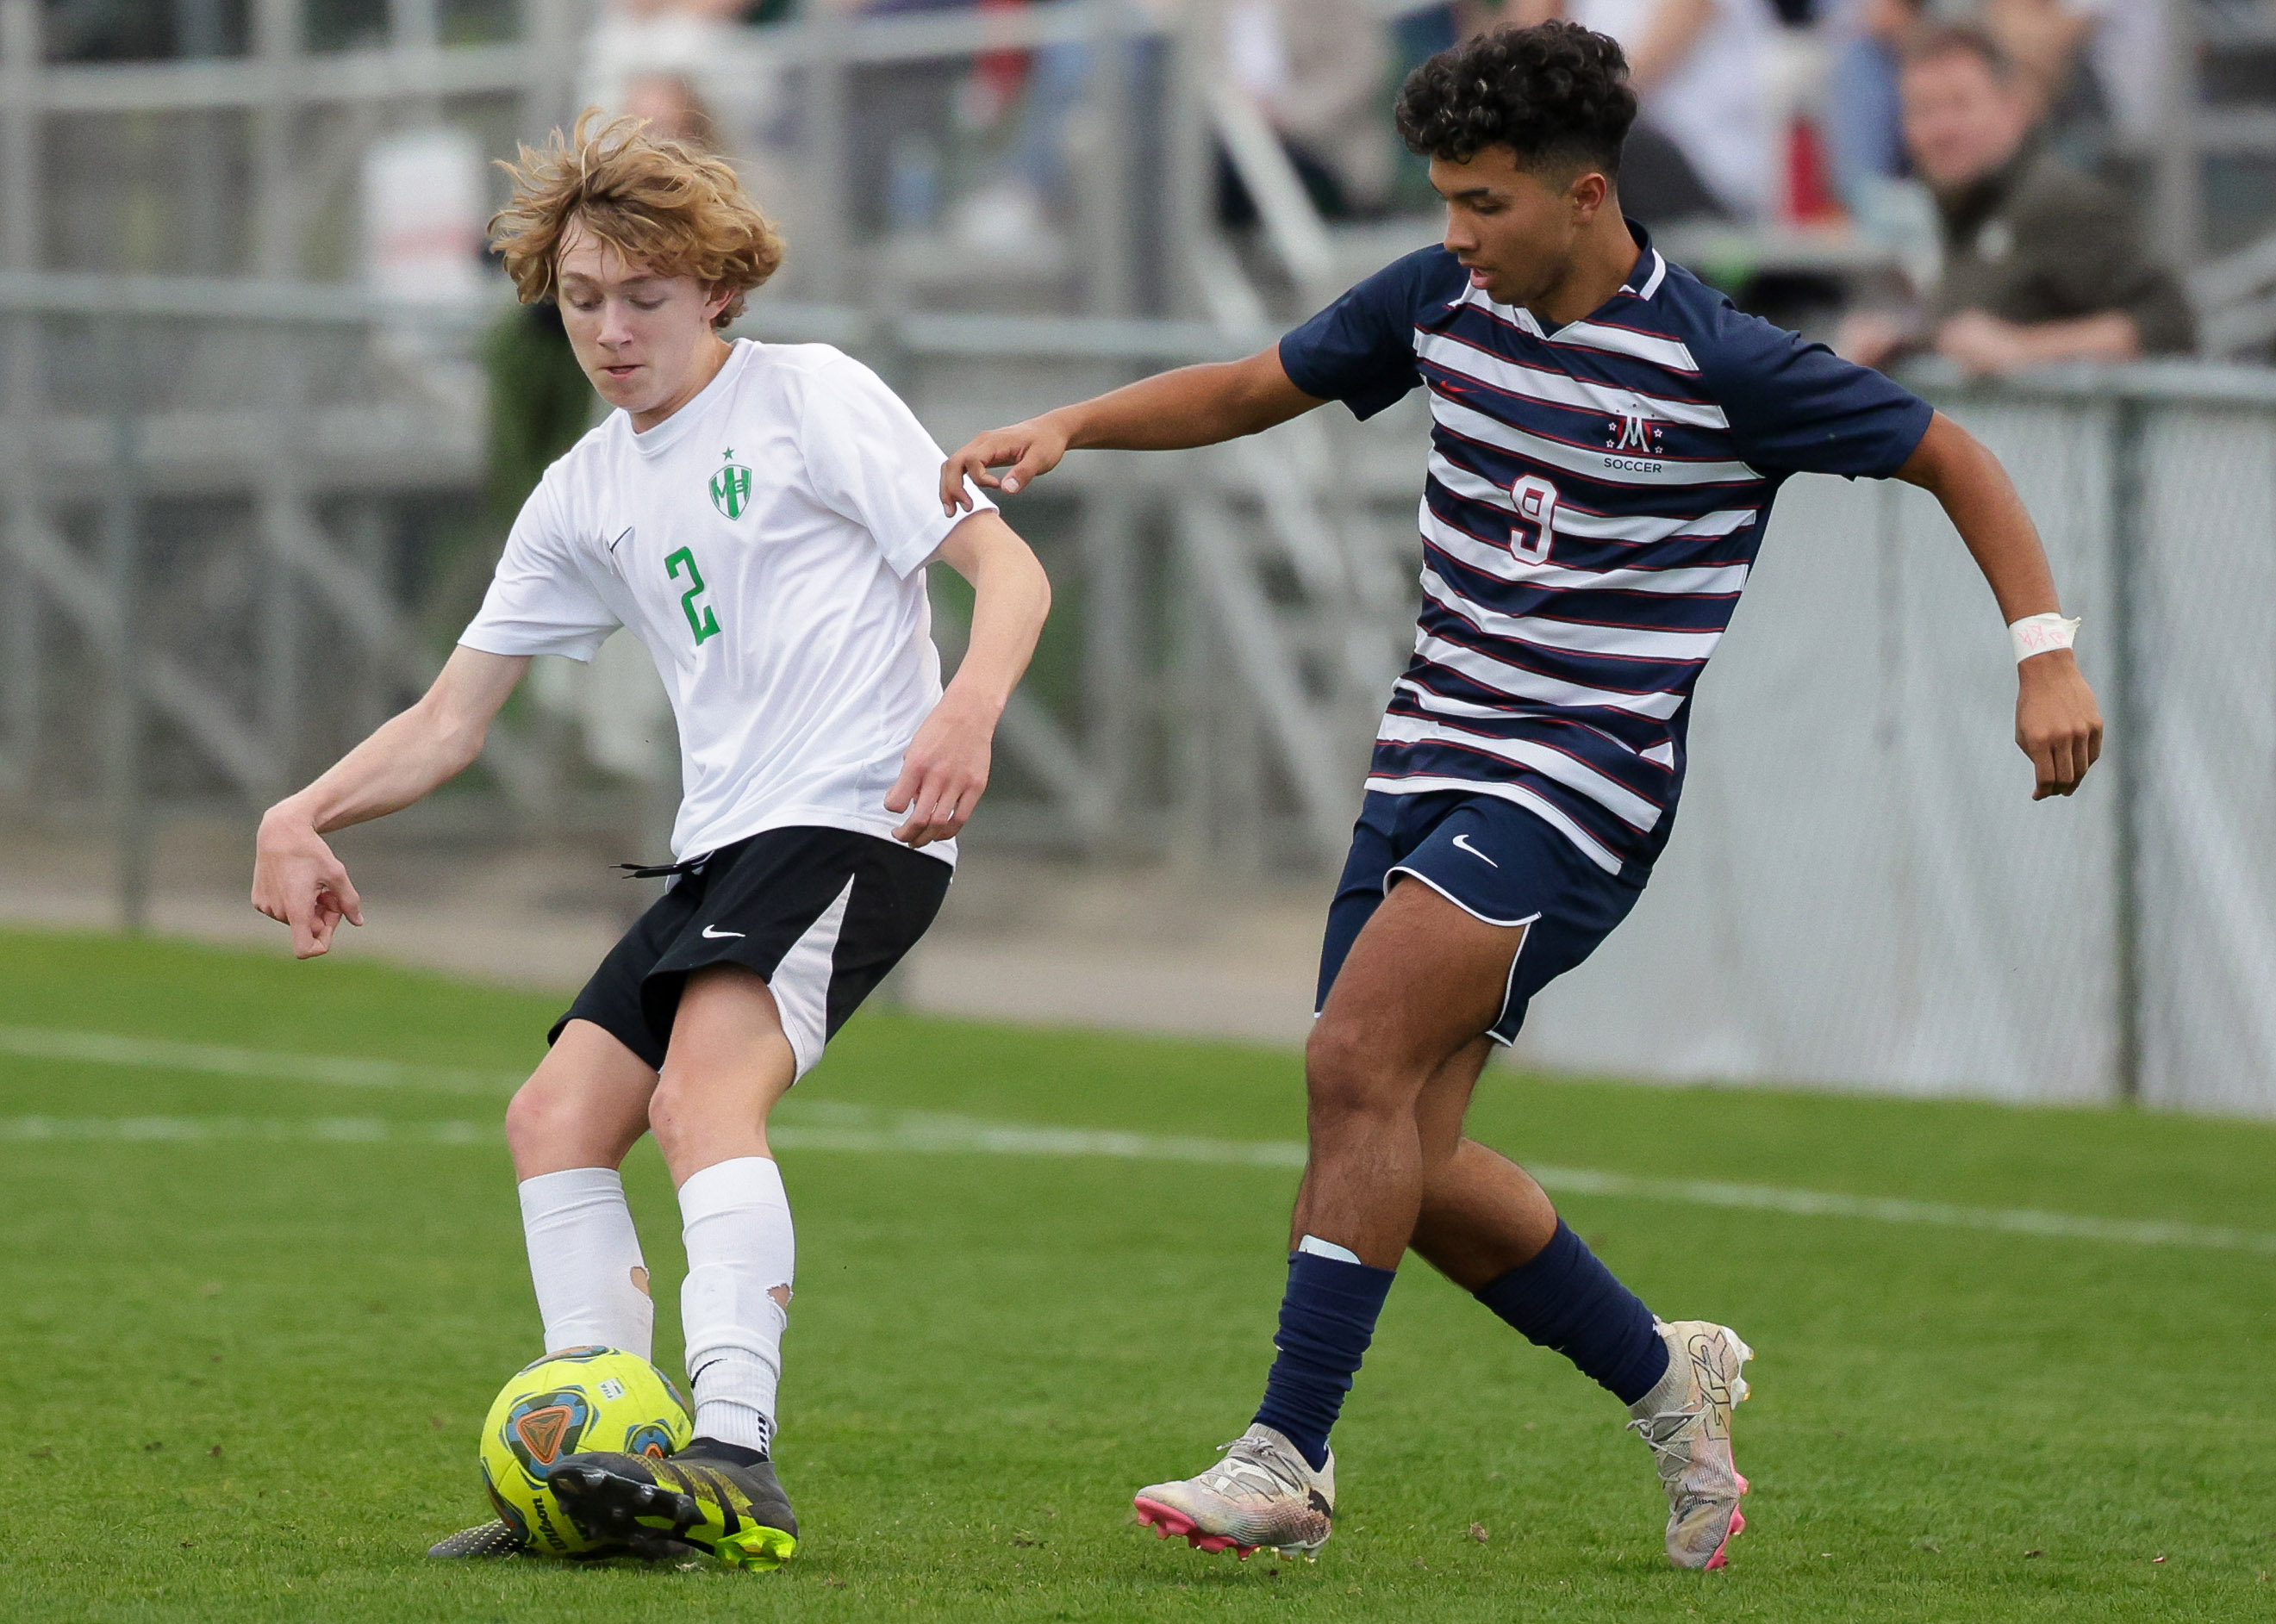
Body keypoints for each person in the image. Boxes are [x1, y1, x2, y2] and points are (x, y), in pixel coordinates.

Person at [941, 21, 2100, 1570]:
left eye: (1483, 202)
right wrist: (1076, 424)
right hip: (1426, 753)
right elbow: (1248, 385)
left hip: (1583, 778)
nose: (1455, 234)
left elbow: (1950, 453)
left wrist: (2044, 655)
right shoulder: (1439, 303)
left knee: (1350, 1060)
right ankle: (1661, 1374)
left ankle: (1287, 1459)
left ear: (1585, 195)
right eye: (1445, 200)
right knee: (1394, 1159)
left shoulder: (1720, 360)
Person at [251, 111, 1051, 1567]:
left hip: (856, 818)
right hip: (726, 846)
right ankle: (594, 1465)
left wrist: (967, 713)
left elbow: (1008, 569)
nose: (611, 333)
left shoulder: (813, 397)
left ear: (718, 289)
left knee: (698, 1105)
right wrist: (302, 810)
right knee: (552, 1120)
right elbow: (449, 722)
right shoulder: (585, 491)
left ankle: (735, 1453)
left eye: (644, 297)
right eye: (581, 303)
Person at [1839, 27, 2193, 375]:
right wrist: (1899, 344)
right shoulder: (1939, 212)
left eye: (1959, 104)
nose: (1941, 129)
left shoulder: (2061, 205)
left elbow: (2167, 325)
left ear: (2012, 108)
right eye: (1923, 110)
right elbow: (1965, 336)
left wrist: (2026, 349)